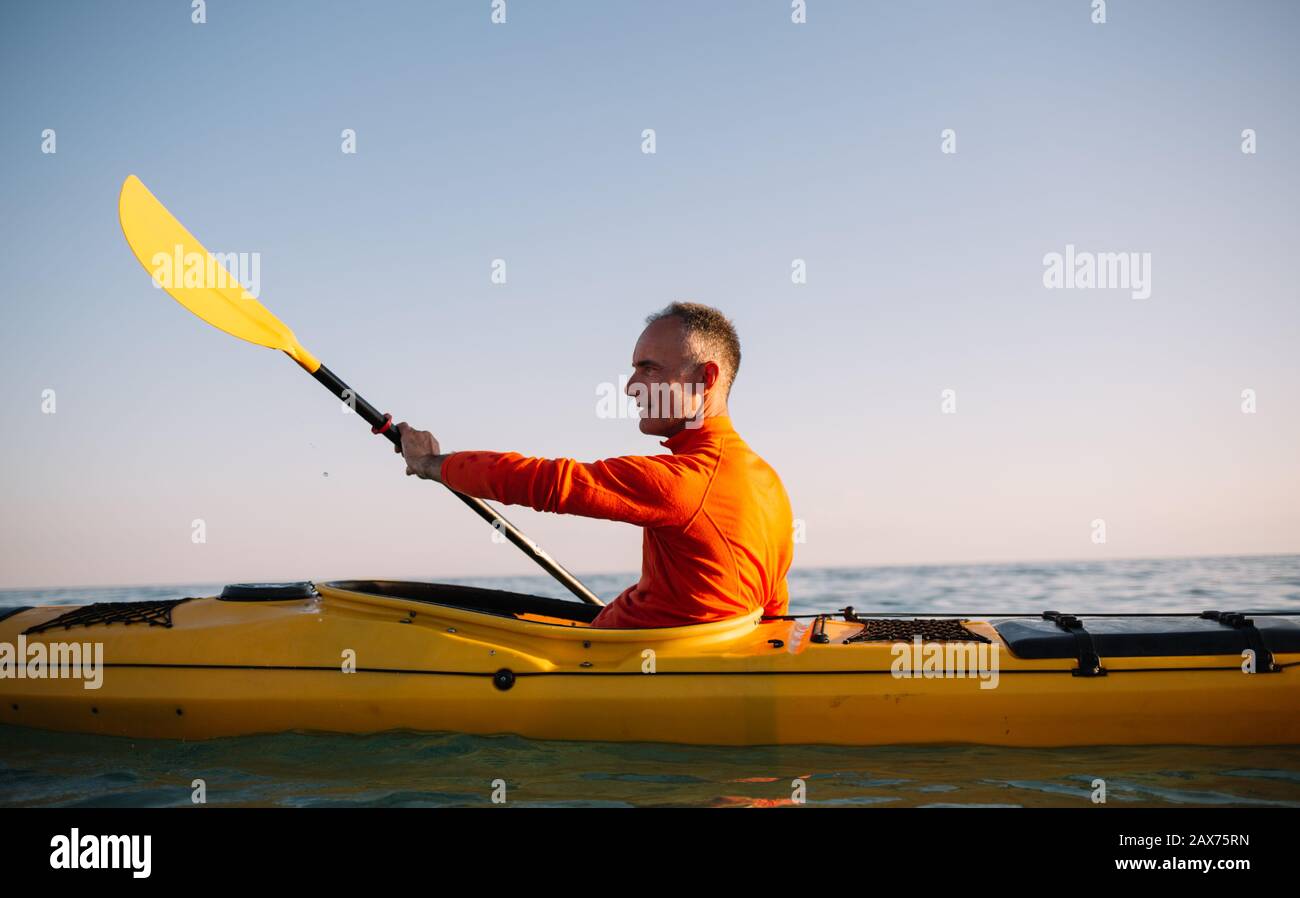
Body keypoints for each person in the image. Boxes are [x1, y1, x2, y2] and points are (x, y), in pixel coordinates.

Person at [396, 302, 793, 628]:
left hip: (629, 665)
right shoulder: (767, 484)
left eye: (649, 368)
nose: (630, 385)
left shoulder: (685, 482)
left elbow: (547, 483)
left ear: (705, 378)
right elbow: (774, 612)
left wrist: (432, 463)